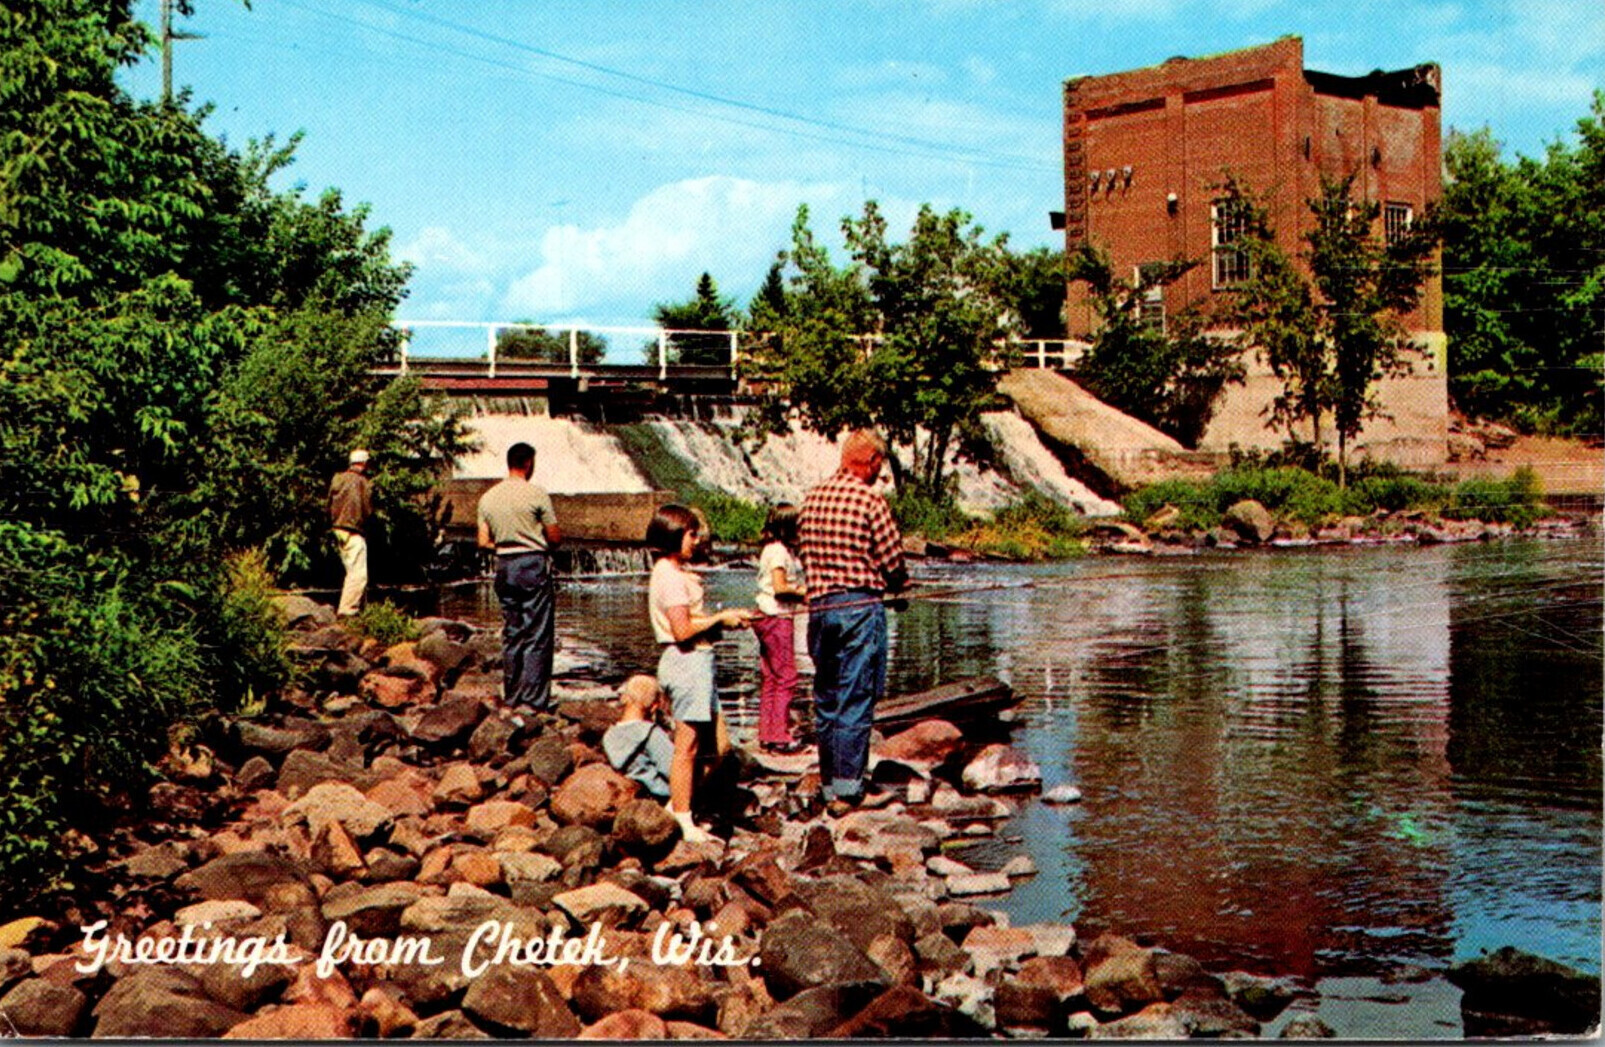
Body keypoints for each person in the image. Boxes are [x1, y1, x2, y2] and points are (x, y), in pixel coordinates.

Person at [799, 429, 907, 815]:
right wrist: (901, 586)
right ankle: (849, 791)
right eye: (881, 464)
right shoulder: (870, 499)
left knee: (827, 697)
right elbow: (892, 560)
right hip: (859, 607)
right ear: (873, 461)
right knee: (856, 695)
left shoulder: (812, 497)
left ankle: (830, 783)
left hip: (819, 608)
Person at [645, 503, 751, 843]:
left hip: (698, 661)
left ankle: (677, 803)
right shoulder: (671, 578)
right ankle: (681, 816)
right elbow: (681, 630)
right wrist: (720, 618)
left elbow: (692, 627)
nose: (696, 540)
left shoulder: (672, 572)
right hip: (686, 662)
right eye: (691, 534)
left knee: (719, 748)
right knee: (687, 748)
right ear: (674, 536)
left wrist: (723, 624)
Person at [477, 442, 562, 712]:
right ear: (528, 463)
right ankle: (534, 701)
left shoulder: (487, 498)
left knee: (512, 633)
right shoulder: (537, 494)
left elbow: (482, 541)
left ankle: (512, 696)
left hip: (504, 565)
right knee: (537, 633)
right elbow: (555, 537)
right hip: (532, 564)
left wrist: (504, 545)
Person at [752, 503, 807, 754]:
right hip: (776, 617)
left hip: (766, 615)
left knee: (771, 678)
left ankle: (768, 734)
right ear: (787, 527)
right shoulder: (778, 553)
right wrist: (804, 593)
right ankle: (780, 737)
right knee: (786, 677)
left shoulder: (771, 549)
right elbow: (780, 588)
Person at [602, 675, 676, 800]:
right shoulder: (652, 734)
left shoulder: (609, 735)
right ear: (654, 707)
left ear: (625, 699)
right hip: (660, 796)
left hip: (630, 794)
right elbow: (673, 771)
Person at [328, 448, 374, 618]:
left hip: (338, 530)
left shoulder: (337, 479)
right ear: (364, 463)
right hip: (353, 530)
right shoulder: (362, 482)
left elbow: (329, 504)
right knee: (358, 575)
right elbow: (367, 510)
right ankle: (347, 611)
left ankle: (351, 609)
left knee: (350, 571)